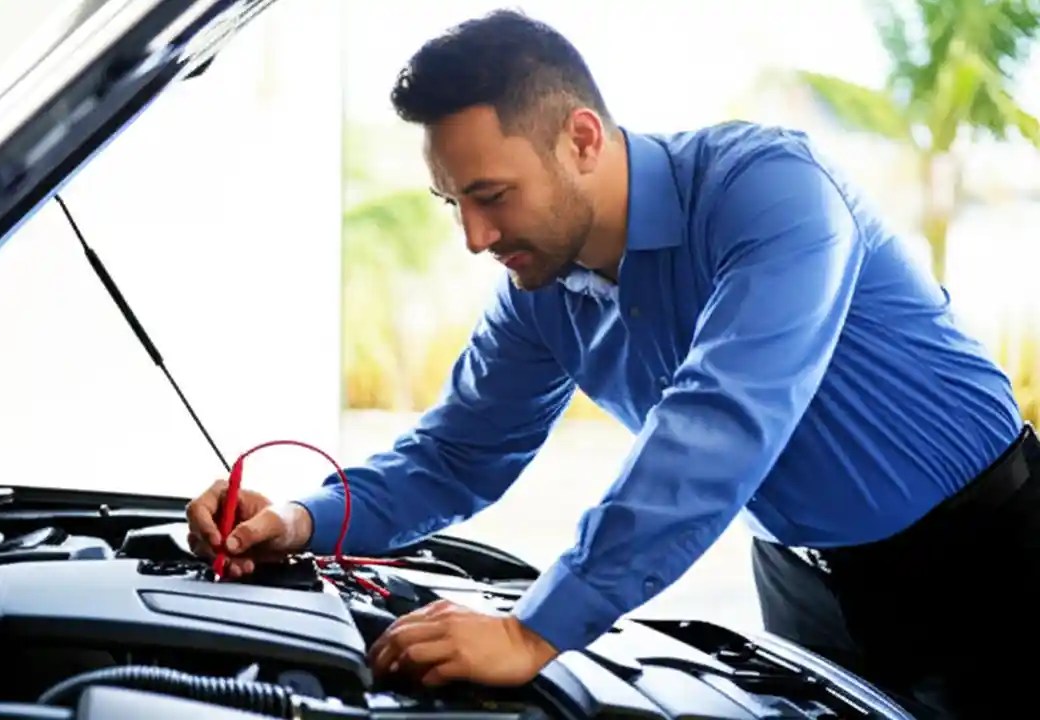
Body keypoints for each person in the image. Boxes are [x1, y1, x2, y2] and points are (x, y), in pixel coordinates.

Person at [187, 9, 1039, 718]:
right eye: (453, 204)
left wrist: (537, 629)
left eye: (490, 195)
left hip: (990, 564)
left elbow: (720, 424)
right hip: (802, 587)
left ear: (582, 139)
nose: (475, 238)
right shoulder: (540, 292)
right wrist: (296, 521)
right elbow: (455, 455)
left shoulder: (770, 190)